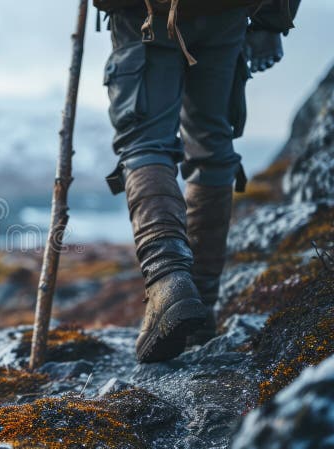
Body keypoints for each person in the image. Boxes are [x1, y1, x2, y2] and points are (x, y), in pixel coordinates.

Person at [95, 0, 301, 362]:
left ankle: (168, 282)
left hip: (144, 13)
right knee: (211, 148)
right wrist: (273, 19)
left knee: (145, 142)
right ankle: (201, 309)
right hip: (226, 11)